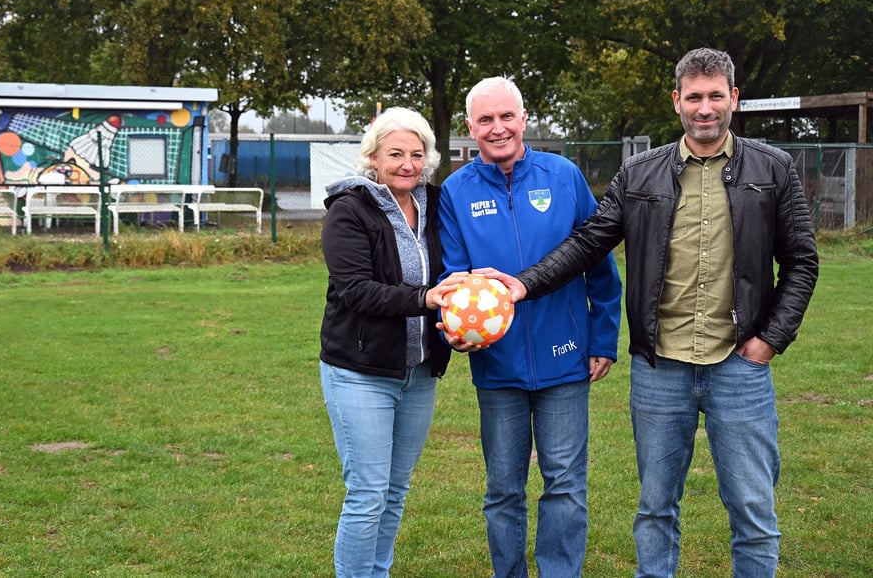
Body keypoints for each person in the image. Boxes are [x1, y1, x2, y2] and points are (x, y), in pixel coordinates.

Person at [483, 48, 820, 577]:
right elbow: (589, 242)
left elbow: (801, 261)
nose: (704, 108)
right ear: (676, 101)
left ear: (734, 98)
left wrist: (770, 340)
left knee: (753, 511)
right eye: (694, 97)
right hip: (660, 369)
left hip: (739, 366)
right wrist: (524, 284)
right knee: (655, 510)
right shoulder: (640, 173)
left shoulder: (772, 169)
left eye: (715, 96)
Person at [437, 76, 623, 578]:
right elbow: (452, 276)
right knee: (503, 489)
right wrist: (451, 324)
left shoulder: (563, 176)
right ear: (470, 127)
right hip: (497, 364)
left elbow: (599, 263)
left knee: (564, 482)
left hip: (566, 356)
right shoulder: (456, 191)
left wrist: (603, 338)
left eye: (506, 116)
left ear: (523, 118)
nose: (497, 128)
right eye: (485, 119)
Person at [319, 106, 462, 578]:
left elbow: (456, 266)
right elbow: (356, 291)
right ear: (373, 158)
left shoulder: (436, 204)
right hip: (360, 372)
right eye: (395, 154)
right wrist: (426, 298)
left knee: (395, 491)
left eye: (416, 154)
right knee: (367, 493)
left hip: (419, 373)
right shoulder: (349, 210)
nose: (407, 164)